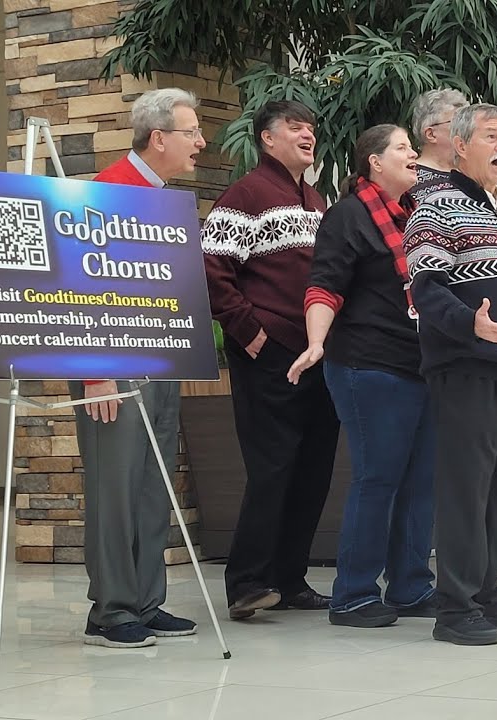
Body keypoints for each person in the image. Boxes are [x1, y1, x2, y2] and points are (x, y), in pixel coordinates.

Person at [403, 102, 497, 646]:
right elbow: (425, 290)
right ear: (459, 145)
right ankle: (456, 606)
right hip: (467, 370)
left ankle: (486, 591)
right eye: (492, 136)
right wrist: (471, 324)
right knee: (467, 491)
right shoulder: (433, 208)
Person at [286, 124, 436, 629]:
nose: (414, 156)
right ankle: (352, 594)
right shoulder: (348, 216)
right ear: (374, 161)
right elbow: (325, 285)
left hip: (422, 365)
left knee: (421, 482)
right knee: (379, 479)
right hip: (368, 365)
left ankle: (412, 587)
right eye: (403, 149)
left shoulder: (421, 218)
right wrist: (315, 343)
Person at [73, 88, 204, 648]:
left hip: (159, 358)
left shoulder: (165, 201)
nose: (201, 142)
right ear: (159, 138)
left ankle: (146, 600)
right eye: (191, 133)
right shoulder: (106, 191)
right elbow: (78, 287)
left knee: (152, 482)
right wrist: (96, 370)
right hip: (114, 364)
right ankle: (111, 608)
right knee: (116, 484)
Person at [202, 100, 339, 621]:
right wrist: (250, 333)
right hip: (271, 353)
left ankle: (289, 577)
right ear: (267, 139)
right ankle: (247, 583)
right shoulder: (247, 194)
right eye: (296, 128)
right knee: (273, 467)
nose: (309, 135)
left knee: (313, 468)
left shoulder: (315, 199)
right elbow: (212, 267)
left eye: (312, 127)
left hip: (316, 354)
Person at [407, 88, 469, 203]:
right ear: (431, 134)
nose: (465, 130)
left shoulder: (473, 176)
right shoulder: (409, 177)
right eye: (457, 123)